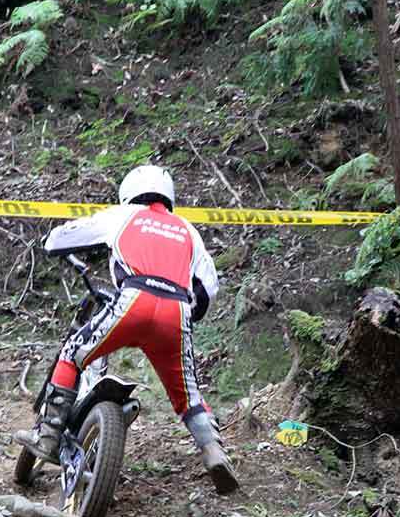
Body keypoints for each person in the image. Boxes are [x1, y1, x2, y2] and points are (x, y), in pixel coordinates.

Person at [14, 165, 239, 495]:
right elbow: (208, 287)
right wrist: (190, 315)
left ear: (129, 191)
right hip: (177, 311)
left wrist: (54, 243)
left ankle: (47, 436)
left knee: (72, 353)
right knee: (188, 396)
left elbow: (61, 238)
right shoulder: (187, 229)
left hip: (133, 300)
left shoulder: (123, 215)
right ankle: (215, 453)